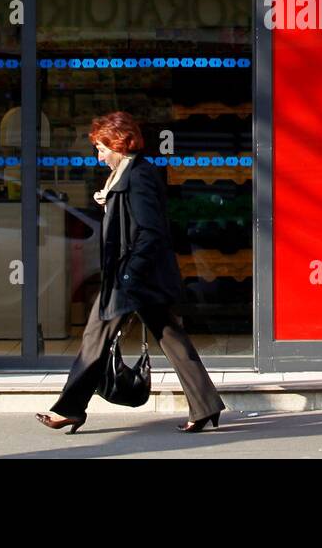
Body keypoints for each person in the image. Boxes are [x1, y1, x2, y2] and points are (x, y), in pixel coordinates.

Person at [37, 111, 226, 434]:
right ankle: (206, 406)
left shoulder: (138, 177)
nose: (99, 156)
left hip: (133, 277)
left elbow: (150, 231)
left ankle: (69, 409)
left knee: (96, 338)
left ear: (119, 145)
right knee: (170, 339)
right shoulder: (126, 174)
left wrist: (129, 275)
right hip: (135, 276)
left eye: (102, 148)